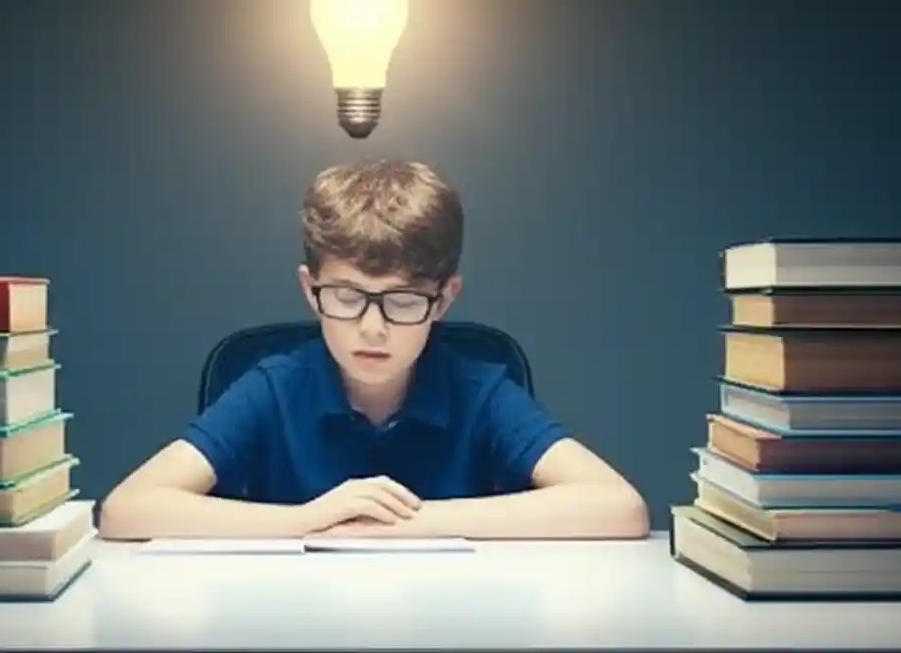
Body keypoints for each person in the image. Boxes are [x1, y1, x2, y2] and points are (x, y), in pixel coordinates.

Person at [98, 160, 648, 540]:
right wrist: (307, 520)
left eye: (403, 301)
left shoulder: (479, 391)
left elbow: (619, 507)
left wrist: (406, 521)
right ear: (309, 290)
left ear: (444, 298)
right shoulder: (274, 387)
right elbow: (126, 511)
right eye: (346, 296)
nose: (373, 328)